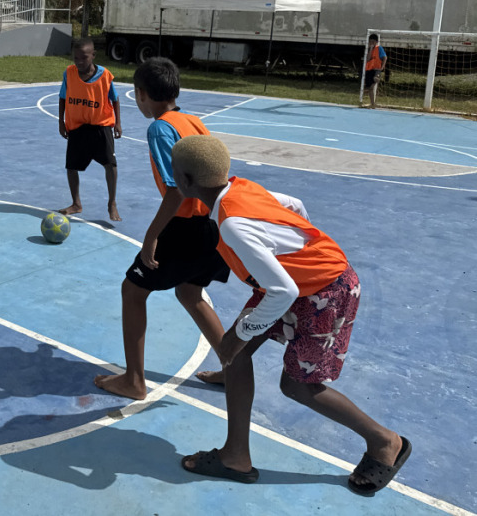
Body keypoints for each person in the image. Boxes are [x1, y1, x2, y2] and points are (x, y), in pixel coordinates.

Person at [171, 134, 410, 494]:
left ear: (186, 181)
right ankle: (236, 455)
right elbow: (294, 205)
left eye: (173, 171)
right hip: (297, 286)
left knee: (296, 385)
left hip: (325, 292)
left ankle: (384, 441)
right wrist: (299, 250)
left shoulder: (233, 223)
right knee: (232, 353)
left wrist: (243, 331)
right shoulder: (240, 189)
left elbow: (285, 290)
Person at [94, 57, 229, 400]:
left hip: (182, 228)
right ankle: (233, 368)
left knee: (132, 291)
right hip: (209, 225)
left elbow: (175, 189)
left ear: (141, 94)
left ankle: (134, 380)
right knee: (190, 294)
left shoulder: (160, 128)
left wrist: (151, 236)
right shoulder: (193, 121)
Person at [58, 39, 122, 221]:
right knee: (71, 167)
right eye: (76, 58)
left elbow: (115, 99)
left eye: (84, 58)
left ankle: (112, 203)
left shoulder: (105, 75)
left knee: (111, 165)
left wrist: (118, 123)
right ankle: (76, 204)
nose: (79, 62)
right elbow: (62, 97)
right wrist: (61, 122)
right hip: (77, 126)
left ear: (93, 56)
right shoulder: (69, 73)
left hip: (101, 126)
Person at [363, 33, 387, 109]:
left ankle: (377, 78)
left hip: (377, 69)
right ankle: (372, 103)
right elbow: (368, 59)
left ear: (376, 42)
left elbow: (385, 58)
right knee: (370, 88)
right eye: (370, 41)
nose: (372, 43)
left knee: (376, 79)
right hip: (370, 70)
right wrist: (370, 49)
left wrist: (382, 67)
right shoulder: (368, 49)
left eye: (373, 41)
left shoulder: (379, 48)